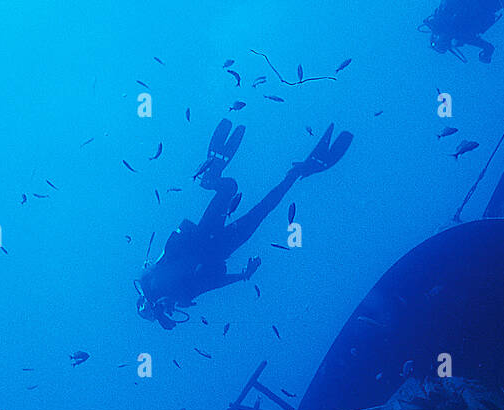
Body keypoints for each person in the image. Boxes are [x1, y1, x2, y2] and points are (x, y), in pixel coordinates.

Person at [136, 119, 353, 327]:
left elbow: (161, 278)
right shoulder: (181, 295)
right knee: (260, 209)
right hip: (221, 247)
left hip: (204, 237)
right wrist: (243, 276)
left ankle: (215, 176)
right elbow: (212, 284)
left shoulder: (155, 283)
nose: (169, 311)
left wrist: (160, 304)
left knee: (235, 191)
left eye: (162, 312)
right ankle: (294, 174)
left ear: (153, 304)